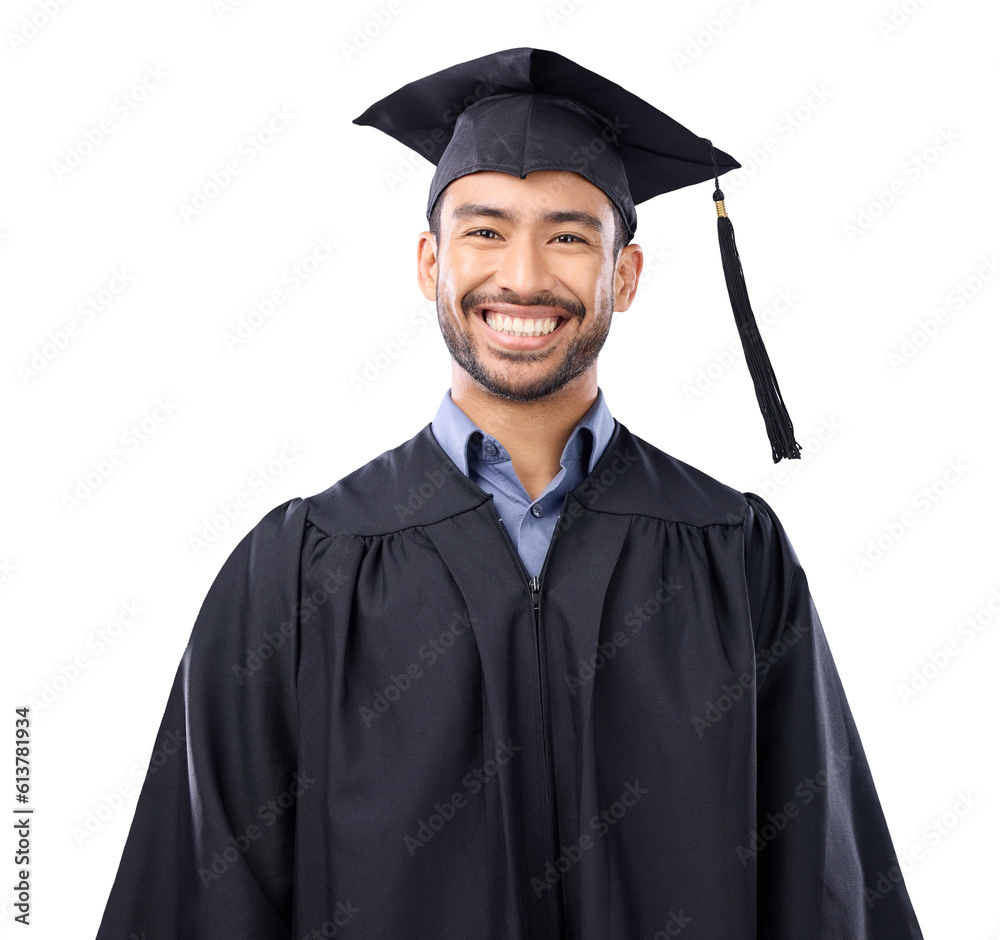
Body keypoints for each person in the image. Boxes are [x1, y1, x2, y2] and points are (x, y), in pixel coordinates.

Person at [96, 48, 923, 939]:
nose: (524, 277)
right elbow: (198, 897)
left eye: (568, 236)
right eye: (485, 231)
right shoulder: (300, 570)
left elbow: (824, 891)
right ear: (429, 263)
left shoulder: (733, 553)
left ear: (627, 275)